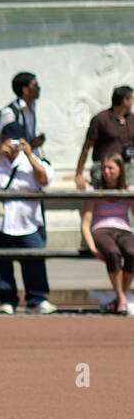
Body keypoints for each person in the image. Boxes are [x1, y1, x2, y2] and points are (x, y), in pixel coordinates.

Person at [0, 121, 55, 314]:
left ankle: (37, 299)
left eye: (17, 141)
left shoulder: (33, 159)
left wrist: (29, 154)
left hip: (29, 223)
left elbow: (44, 179)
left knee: (35, 261)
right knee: (1, 263)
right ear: (2, 140)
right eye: (9, 141)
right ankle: (7, 300)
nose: (13, 146)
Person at [81, 154, 134, 314]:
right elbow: (85, 223)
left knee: (132, 252)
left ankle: (120, 298)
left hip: (123, 229)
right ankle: (122, 299)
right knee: (112, 252)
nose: (106, 172)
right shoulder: (95, 191)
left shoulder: (128, 190)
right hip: (101, 229)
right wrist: (92, 247)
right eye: (104, 168)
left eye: (110, 168)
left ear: (120, 170)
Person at [75, 86, 133, 189]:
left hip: (127, 167)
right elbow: (86, 147)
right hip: (103, 168)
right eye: (132, 98)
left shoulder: (131, 119)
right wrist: (79, 174)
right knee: (100, 196)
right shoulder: (101, 119)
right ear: (125, 101)